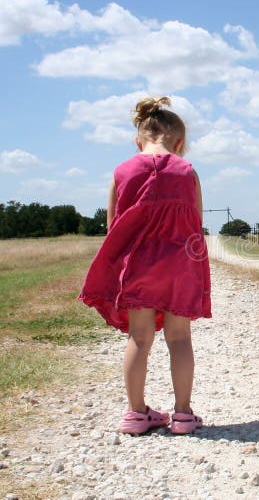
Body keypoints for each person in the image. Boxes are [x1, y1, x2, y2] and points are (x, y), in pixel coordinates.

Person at [78, 96, 211, 435]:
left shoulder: (121, 172)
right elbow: (195, 223)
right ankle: (182, 415)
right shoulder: (187, 171)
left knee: (139, 338)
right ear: (179, 143)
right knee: (179, 338)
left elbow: (113, 229)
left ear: (138, 140)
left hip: (138, 267)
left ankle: (137, 414)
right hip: (179, 266)